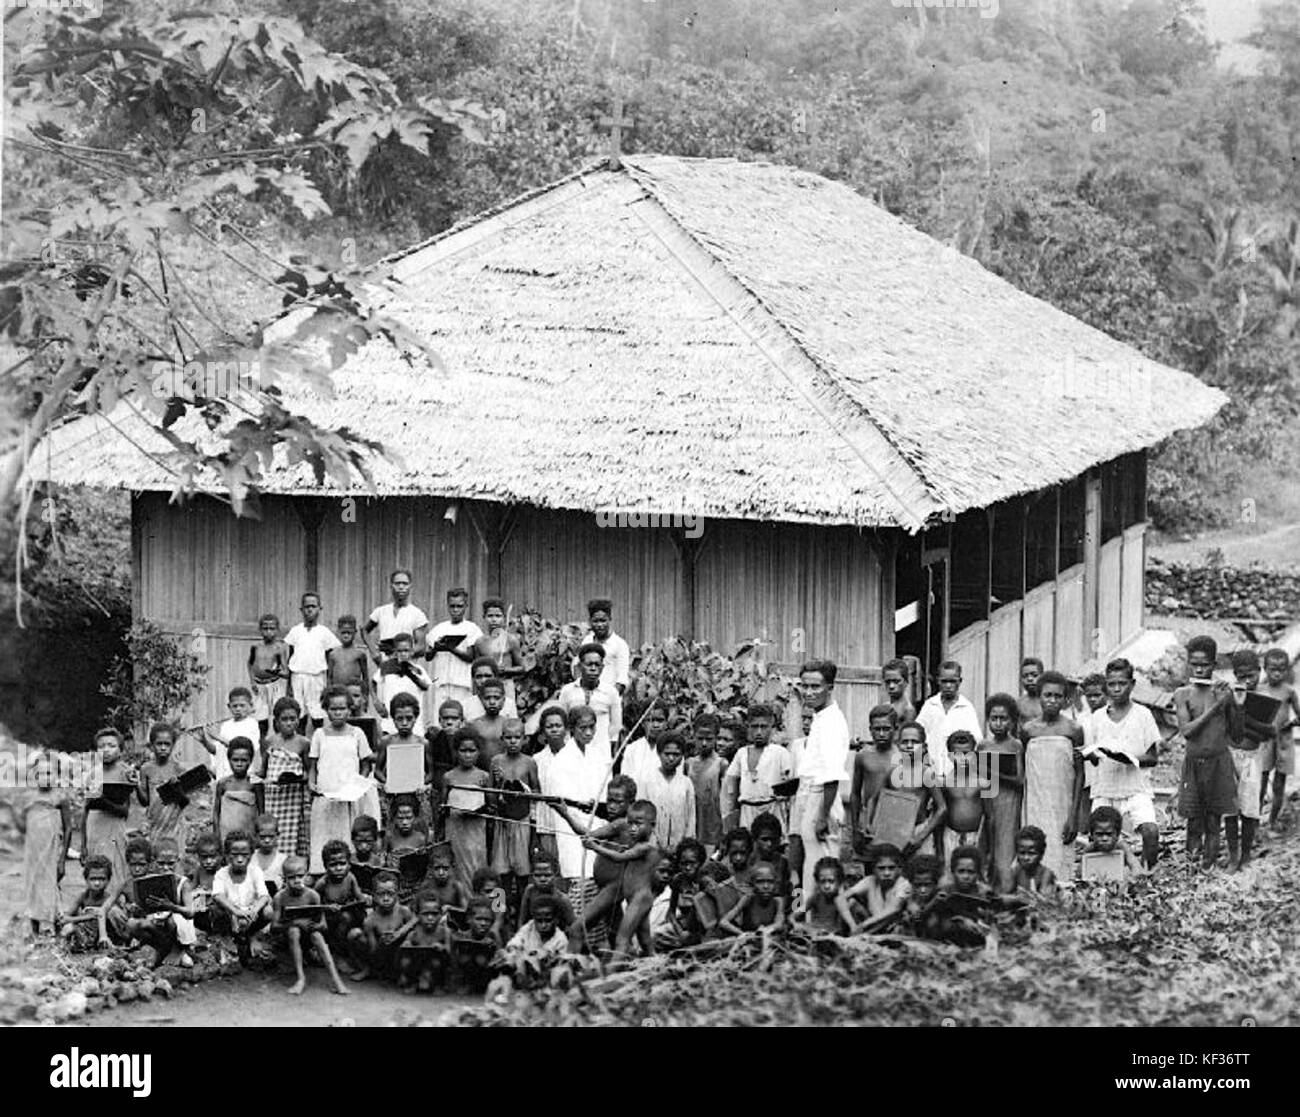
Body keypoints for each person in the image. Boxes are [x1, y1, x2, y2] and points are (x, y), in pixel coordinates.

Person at [1084, 658, 1162, 871]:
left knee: (1150, 832)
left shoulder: (1143, 715)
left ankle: (1146, 875)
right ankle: (1102, 880)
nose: (1117, 689)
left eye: (1122, 683)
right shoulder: (1097, 718)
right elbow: (1093, 753)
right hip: (1105, 789)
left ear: (1132, 684)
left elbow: (1153, 757)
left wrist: (1127, 757)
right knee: (1098, 838)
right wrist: (1087, 754)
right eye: (1111, 684)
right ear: (1106, 686)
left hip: (1135, 787)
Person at [1175, 635, 1243, 869]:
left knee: (1214, 821)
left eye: (1204, 665)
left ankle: (1208, 867)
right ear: (1189, 664)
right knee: (1194, 822)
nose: (1199, 669)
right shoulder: (1183, 694)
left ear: (1214, 665)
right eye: (1194, 664)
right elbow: (1187, 731)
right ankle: (1191, 868)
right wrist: (1216, 707)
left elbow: (1236, 735)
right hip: (1194, 764)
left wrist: (1230, 702)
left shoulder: (1223, 692)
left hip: (1219, 762)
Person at [306, 685, 378, 875]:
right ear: (326, 709)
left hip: (349, 797)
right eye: (333, 709)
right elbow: (313, 766)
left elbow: (365, 764)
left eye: (342, 708)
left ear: (349, 709)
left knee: (347, 838)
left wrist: (357, 784)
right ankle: (321, 875)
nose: (338, 713)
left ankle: (348, 877)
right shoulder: (319, 735)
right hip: (326, 796)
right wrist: (312, 784)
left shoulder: (357, 733)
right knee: (324, 837)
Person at [1021, 670, 1084, 881]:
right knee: (1034, 852)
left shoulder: (1073, 729)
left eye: (1058, 696)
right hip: (1035, 804)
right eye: (1048, 695)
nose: (1052, 701)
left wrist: (1073, 815)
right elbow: (1023, 771)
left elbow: (1080, 774)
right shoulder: (1028, 730)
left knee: (1061, 857)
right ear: (1039, 697)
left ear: (1066, 700)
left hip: (1062, 804)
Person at [794, 662, 850, 898]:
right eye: (804, 686)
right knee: (811, 870)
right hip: (810, 795)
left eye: (815, 686)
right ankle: (809, 921)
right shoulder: (820, 717)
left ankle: (823, 926)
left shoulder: (832, 722)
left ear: (830, 687)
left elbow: (831, 775)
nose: (808, 692)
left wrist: (822, 816)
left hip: (822, 799)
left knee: (823, 870)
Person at [581, 800, 663, 958]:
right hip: (636, 898)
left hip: (640, 897)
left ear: (652, 824)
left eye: (638, 824)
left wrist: (595, 847)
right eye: (630, 823)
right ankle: (655, 965)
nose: (632, 828)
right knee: (645, 940)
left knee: (622, 939)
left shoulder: (645, 847)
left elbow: (619, 857)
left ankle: (613, 974)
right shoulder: (639, 845)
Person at [272, 854, 350, 995]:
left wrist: (314, 926)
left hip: (308, 938)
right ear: (284, 878)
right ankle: (301, 979)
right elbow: (274, 927)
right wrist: (294, 922)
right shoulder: (280, 897)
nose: (297, 881)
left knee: (317, 936)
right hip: (288, 940)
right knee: (294, 931)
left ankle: (336, 980)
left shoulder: (312, 895)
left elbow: (323, 926)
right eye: (291, 877)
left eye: (300, 876)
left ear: (307, 876)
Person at [536, 705, 598, 881]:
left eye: (591, 727)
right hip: (560, 822)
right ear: (572, 729)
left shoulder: (596, 755)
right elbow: (562, 799)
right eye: (582, 728)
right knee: (565, 871)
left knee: (588, 871)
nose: (587, 733)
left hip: (588, 822)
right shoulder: (556, 761)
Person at [558, 643, 622, 789]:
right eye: (589, 664)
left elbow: (616, 726)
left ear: (602, 667)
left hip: (601, 754)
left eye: (597, 665)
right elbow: (562, 721)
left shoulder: (610, 692)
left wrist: (605, 747)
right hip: (573, 753)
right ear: (580, 666)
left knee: (598, 793)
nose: (593, 669)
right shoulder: (568, 691)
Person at [20, 752, 71, 936]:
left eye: (49, 773)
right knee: (32, 882)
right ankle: (33, 922)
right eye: (40, 773)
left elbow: (68, 829)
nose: (45, 777)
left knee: (49, 882)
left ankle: (48, 923)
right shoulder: (28, 797)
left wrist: (62, 859)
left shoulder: (60, 797)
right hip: (32, 849)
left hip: (51, 850)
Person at [107, 837, 180, 963]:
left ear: (150, 863)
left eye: (141, 865)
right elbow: (108, 904)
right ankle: (130, 943)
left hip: (159, 924)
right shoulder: (126, 883)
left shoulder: (156, 880)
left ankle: (167, 949)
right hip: (139, 925)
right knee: (116, 913)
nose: (137, 869)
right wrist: (127, 907)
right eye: (133, 865)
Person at [724, 702, 793, 835]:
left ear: (771, 728)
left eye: (764, 727)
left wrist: (781, 795)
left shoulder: (780, 752)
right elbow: (730, 782)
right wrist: (731, 809)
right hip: (747, 809)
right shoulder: (741, 753)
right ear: (748, 728)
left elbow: (790, 782)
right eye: (755, 727)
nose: (759, 732)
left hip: (772, 808)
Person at [490, 718, 539, 900]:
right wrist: (499, 782)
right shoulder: (496, 761)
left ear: (524, 739)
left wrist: (521, 789)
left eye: (517, 737)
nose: (512, 742)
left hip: (522, 821)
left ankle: (521, 912)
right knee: (501, 872)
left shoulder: (529, 762)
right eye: (508, 737)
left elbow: (536, 791)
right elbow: (491, 794)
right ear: (502, 738)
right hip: (502, 822)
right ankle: (499, 912)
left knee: (522, 871)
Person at [978, 693, 1023, 888]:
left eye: (1003, 719)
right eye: (993, 719)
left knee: (1005, 851)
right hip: (987, 799)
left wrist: (992, 773)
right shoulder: (983, 745)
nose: (998, 723)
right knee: (985, 849)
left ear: (1012, 722)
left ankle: (1005, 894)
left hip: (1008, 801)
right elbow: (978, 778)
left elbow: (1020, 780)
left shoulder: (1015, 745)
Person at [82, 726, 135, 888]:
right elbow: (86, 809)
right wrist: (83, 844)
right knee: (96, 871)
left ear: (120, 750)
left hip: (114, 830)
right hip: (95, 829)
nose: (106, 750)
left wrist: (104, 801)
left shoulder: (126, 772)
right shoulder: (92, 774)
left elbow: (125, 810)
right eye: (102, 746)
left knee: (116, 871)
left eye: (111, 746)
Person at [259, 696, 310, 858]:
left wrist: (297, 778)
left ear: (298, 720)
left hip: (293, 799)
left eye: (292, 719)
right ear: (276, 721)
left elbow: (309, 771)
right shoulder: (269, 741)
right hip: (273, 798)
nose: (289, 723)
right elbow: (264, 770)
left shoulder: (303, 743)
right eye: (284, 719)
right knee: (272, 833)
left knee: (291, 837)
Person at [211, 829, 272, 964]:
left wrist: (254, 910)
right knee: (216, 909)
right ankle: (227, 939)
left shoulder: (255, 871)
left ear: (251, 854)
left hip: (251, 914)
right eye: (234, 854)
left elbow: (264, 895)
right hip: (231, 914)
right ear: (227, 855)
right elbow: (217, 895)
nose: (239, 859)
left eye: (244, 854)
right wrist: (236, 911)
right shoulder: (222, 873)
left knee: (268, 911)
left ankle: (253, 935)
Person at [888, 722, 947, 859]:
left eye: (914, 742)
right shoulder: (892, 771)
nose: (909, 746)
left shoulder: (926, 772)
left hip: (918, 829)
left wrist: (921, 836)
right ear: (898, 745)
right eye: (905, 742)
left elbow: (942, 808)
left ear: (924, 747)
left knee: (921, 871)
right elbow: (879, 799)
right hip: (895, 830)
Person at [285, 592, 341, 731]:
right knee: (299, 713)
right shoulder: (295, 631)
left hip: (317, 677)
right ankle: (301, 747)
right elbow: (291, 657)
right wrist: (288, 684)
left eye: (313, 606)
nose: (310, 610)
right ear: (301, 609)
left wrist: (329, 682)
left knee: (317, 714)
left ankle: (317, 746)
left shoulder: (324, 632)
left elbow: (331, 658)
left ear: (319, 609)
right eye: (306, 607)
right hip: (298, 677)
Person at [848, 705, 900, 857]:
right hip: (870, 823)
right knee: (871, 867)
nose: (881, 733)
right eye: (877, 729)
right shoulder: (863, 756)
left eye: (886, 728)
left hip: (896, 821)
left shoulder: (903, 757)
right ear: (870, 730)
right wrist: (855, 827)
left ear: (895, 729)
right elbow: (855, 793)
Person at [444, 728, 491, 890]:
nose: (467, 755)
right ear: (456, 752)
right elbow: (443, 806)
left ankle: (486, 904)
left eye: (472, 751)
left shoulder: (483, 777)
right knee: (457, 864)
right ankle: (461, 905)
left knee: (477, 863)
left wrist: (477, 810)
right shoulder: (449, 777)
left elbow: (491, 806)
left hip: (476, 829)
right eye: (463, 750)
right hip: (456, 828)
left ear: (478, 752)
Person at [916, 660, 982, 777]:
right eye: (944, 681)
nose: (948, 686)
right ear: (938, 681)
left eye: (952, 681)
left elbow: (976, 741)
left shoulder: (966, 708)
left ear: (960, 682)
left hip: (956, 773)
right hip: (932, 771)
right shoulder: (930, 705)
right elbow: (918, 734)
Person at [315, 838, 369, 978]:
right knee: (345, 918)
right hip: (329, 920)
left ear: (349, 864)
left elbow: (359, 896)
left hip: (348, 914)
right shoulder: (323, 883)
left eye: (342, 864)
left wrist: (365, 899)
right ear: (325, 866)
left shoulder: (350, 878)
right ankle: (337, 954)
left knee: (361, 918)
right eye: (333, 865)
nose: (338, 868)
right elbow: (313, 905)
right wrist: (327, 907)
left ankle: (360, 957)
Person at [375, 691, 429, 829]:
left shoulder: (422, 743)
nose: (404, 723)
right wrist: (387, 783)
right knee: (394, 830)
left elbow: (431, 772)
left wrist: (423, 784)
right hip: (393, 797)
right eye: (399, 719)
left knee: (418, 829)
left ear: (416, 718)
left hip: (416, 797)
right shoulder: (387, 742)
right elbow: (377, 771)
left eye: (409, 718)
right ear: (393, 718)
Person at [1261, 648, 1300, 831]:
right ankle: (1254, 820)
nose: (1277, 673)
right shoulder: (1260, 690)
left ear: (1286, 671)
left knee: (1279, 783)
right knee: (1260, 781)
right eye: (1273, 669)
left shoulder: (1289, 691)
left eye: (1281, 669)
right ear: (1265, 669)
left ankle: (1273, 820)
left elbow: (1299, 716)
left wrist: (1291, 724)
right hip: (1265, 741)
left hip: (1283, 741)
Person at [427, 587, 482, 711]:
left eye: (459, 606)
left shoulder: (472, 629)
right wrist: (436, 648)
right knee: (439, 718)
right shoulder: (438, 629)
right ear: (447, 606)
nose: (456, 610)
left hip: (461, 683)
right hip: (441, 683)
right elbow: (428, 656)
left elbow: (470, 657)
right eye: (452, 606)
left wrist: (451, 648)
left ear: (466, 606)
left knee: (460, 716)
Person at [640, 731, 696, 850]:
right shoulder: (648, 780)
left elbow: (690, 817)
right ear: (659, 754)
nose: (671, 758)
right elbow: (641, 814)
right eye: (667, 754)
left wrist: (686, 844)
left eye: (676, 754)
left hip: (679, 846)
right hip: (652, 846)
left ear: (682, 756)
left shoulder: (686, 783)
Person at [363, 569, 430, 662]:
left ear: (410, 586)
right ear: (391, 586)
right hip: (385, 665)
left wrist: (397, 653)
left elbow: (421, 648)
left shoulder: (417, 615)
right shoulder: (381, 611)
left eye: (405, 583)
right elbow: (364, 631)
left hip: (407, 668)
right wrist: (374, 653)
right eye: (397, 583)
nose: (401, 587)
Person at [135, 722, 186, 846]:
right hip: (154, 824)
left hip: (175, 826)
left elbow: (184, 802)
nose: (163, 748)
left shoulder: (179, 769)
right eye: (159, 744)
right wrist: (135, 785)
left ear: (173, 745)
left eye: (167, 744)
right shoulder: (146, 769)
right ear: (152, 745)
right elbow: (145, 801)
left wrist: (177, 789)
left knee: (174, 859)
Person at [359, 871, 416, 982]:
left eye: (390, 893)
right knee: (357, 935)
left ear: (397, 893)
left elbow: (415, 923)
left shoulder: (403, 912)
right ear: (374, 895)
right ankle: (369, 971)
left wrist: (399, 933)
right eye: (381, 894)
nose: (386, 898)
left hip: (400, 955)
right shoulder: (370, 920)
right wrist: (381, 942)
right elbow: (373, 953)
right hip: (382, 957)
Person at [374, 632, 432, 737]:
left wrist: (409, 672)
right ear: (395, 651)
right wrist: (376, 701)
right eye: (399, 651)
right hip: (390, 722)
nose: (403, 654)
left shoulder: (418, 670)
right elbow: (373, 683)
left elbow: (425, 686)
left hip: (413, 723)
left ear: (412, 651)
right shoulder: (386, 667)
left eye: (406, 650)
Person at [845, 842, 911, 933]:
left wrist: (863, 925)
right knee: (850, 902)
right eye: (881, 868)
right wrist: (852, 924)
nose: (886, 873)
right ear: (874, 869)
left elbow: (893, 909)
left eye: (891, 868)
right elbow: (841, 897)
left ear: (899, 869)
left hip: (893, 928)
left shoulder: (903, 884)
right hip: (873, 925)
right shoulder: (870, 880)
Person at [941, 729, 985, 861]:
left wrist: (988, 845)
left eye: (967, 753)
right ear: (950, 756)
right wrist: (939, 850)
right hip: (951, 836)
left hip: (975, 837)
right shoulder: (945, 783)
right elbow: (941, 815)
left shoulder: (981, 782)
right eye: (957, 754)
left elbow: (990, 817)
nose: (963, 758)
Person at [474, 598, 524, 713]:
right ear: (484, 617)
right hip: (485, 689)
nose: (494, 619)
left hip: (505, 685)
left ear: (504, 618)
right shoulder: (480, 642)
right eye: (490, 616)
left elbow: (522, 668)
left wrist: (506, 670)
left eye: (498, 616)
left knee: (506, 716)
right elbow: (476, 670)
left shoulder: (511, 640)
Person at [686, 713, 726, 855]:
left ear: (716, 738)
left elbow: (725, 800)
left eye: (709, 739)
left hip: (712, 821)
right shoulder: (689, 763)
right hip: (693, 818)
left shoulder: (721, 764)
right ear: (693, 736)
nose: (704, 743)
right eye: (700, 738)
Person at [201, 686, 259, 783]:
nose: (238, 709)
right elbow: (216, 751)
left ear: (251, 705)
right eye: (235, 706)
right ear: (229, 706)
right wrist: (203, 739)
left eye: (242, 705)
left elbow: (243, 747)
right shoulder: (226, 725)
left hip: (241, 778)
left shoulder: (252, 724)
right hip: (223, 776)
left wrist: (218, 737)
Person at [213, 737, 263, 848]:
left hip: (248, 835)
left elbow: (261, 812)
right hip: (226, 835)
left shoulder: (255, 784)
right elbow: (216, 812)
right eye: (235, 760)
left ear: (250, 760)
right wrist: (217, 835)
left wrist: (259, 836)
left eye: (244, 760)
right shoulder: (223, 784)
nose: (239, 764)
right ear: (229, 759)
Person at [575, 598, 631, 696]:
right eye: (596, 621)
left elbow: (622, 680)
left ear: (610, 619)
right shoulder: (587, 641)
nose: (600, 625)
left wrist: (606, 700)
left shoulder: (620, 645)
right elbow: (577, 666)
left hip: (609, 701)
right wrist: (580, 692)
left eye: (603, 620)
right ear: (590, 621)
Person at [248, 613, 290, 738]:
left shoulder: (279, 648)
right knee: (261, 720)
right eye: (265, 628)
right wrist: (252, 681)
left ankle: (279, 743)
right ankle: (263, 751)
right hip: (259, 686)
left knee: (278, 717)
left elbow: (285, 671)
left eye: (272, 629)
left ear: (277, 630)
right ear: (260, 630)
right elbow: (250, 664)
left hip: (275, 685)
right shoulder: (255, 647)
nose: (268, 632)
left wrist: (276, 672)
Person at [399, 895, 452, 993]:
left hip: (437, 964)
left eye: (434, 914)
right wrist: (407, 944)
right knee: (405, 961)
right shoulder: (414, 932)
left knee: (437, 963)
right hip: (418, 964)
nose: (430, 918)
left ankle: (439, 985)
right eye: (425, 914)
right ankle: (412, 983)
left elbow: (450, 953)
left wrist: (442, 948)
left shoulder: (444, 932)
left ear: (441, 914)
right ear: (418, 915)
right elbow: (404, 948)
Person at [62, 854, 114, 951]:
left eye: (101, 879)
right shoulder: (83, 896)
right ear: (86, 879)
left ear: (108, 880)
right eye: (93, 879)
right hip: (85, 935)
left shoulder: (109, 898)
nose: (97, 883)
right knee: (67, 928)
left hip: (104, 936)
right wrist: (88, 916)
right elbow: (65, 918)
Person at [717, 862, 785, 936]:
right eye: (760, 882)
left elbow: (779, 924)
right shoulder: (748, 899)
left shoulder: (777, 901)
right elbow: (724, 922)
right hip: (748, 942)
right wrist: (743, 934)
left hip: (770, 942)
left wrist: (765, 930)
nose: (766, 886)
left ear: (775, 883)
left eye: (770, 882)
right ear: (753, 883)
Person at [620, 699, 671, 796]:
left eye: (660, 720)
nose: (655, 725)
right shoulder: (632, 750)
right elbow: (625, 784)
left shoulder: (672, 750)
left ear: (666, 723)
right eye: (650, 720)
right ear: (642, 723)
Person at [1080, 806, 1144, 881]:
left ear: (1117, 835)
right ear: (1092, 835)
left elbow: (1136, 867)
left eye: (1109, 834)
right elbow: (1082, 872)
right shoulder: (1089, 850)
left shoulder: (1122, 847)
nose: (1104, 838)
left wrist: (1131, 879)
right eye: (1099, 834)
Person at [795, 856, 855, 935]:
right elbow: (794, 915)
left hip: (833, 937)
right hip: (814, 934)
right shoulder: (815, 897)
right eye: (823, 881)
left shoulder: (844, 902)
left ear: (840, 882)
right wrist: (796, 924)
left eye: (831, 881)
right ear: (817, 882)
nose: (827, 886)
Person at [326, 615, 372, 710]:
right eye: (343, 633)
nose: (346, 635)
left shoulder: (360, 653)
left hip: (354, 695)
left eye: (349, 633)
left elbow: (365, 678)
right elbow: (329, 677)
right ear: (338, 632)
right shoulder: (333, 654)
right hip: (338, 694)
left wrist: (365, 698)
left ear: (355, 632)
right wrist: (329, 695)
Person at [518, 854, 575, 930]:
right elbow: (522, 920)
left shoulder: (562, 899)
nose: (542, 879)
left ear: (555, 875)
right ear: (532, 875)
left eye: (547, 875)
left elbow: (573, 926)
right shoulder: (529, 892)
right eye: (537, 875)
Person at [1000, 825, 1058, 897]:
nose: (1026, 858)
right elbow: (1004, 896)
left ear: (1041, 854)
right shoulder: (1014, 873)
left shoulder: (1046, 874)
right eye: (1022, 853)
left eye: (1031, 853)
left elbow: (1045, 901)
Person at [749, 811, 793, 901]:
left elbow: (795, 892)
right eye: (765, 840)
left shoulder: (783, 863)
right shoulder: (747, 863)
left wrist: (795, 912)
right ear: (755, 839)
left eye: (774, 839)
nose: (769, 844)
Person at [469, 676, 509, 763]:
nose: (492, 702)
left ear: (503, 700)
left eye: (496, 698)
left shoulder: (509, 724)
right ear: (481, 699)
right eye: (487, 698)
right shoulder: (474, 725)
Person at [251, 813, 287, 894]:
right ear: (255, 836)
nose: (267, 840)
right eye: (262, 837)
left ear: (277, 836)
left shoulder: (283, 860)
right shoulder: (250, 858)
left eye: (271, 836)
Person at [882, 658, 917, 731]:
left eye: (896, 681)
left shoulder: (907, 710)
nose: (891, 686)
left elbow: (906, 736)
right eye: (888, 682)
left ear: (906, 682)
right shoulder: (886, 705)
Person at [1018, 656, 1045, 724]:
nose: (1030, 679)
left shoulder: (1050, 701)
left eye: (1034, 675)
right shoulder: (1018, 704)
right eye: (1025, 676)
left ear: (1042, 676)